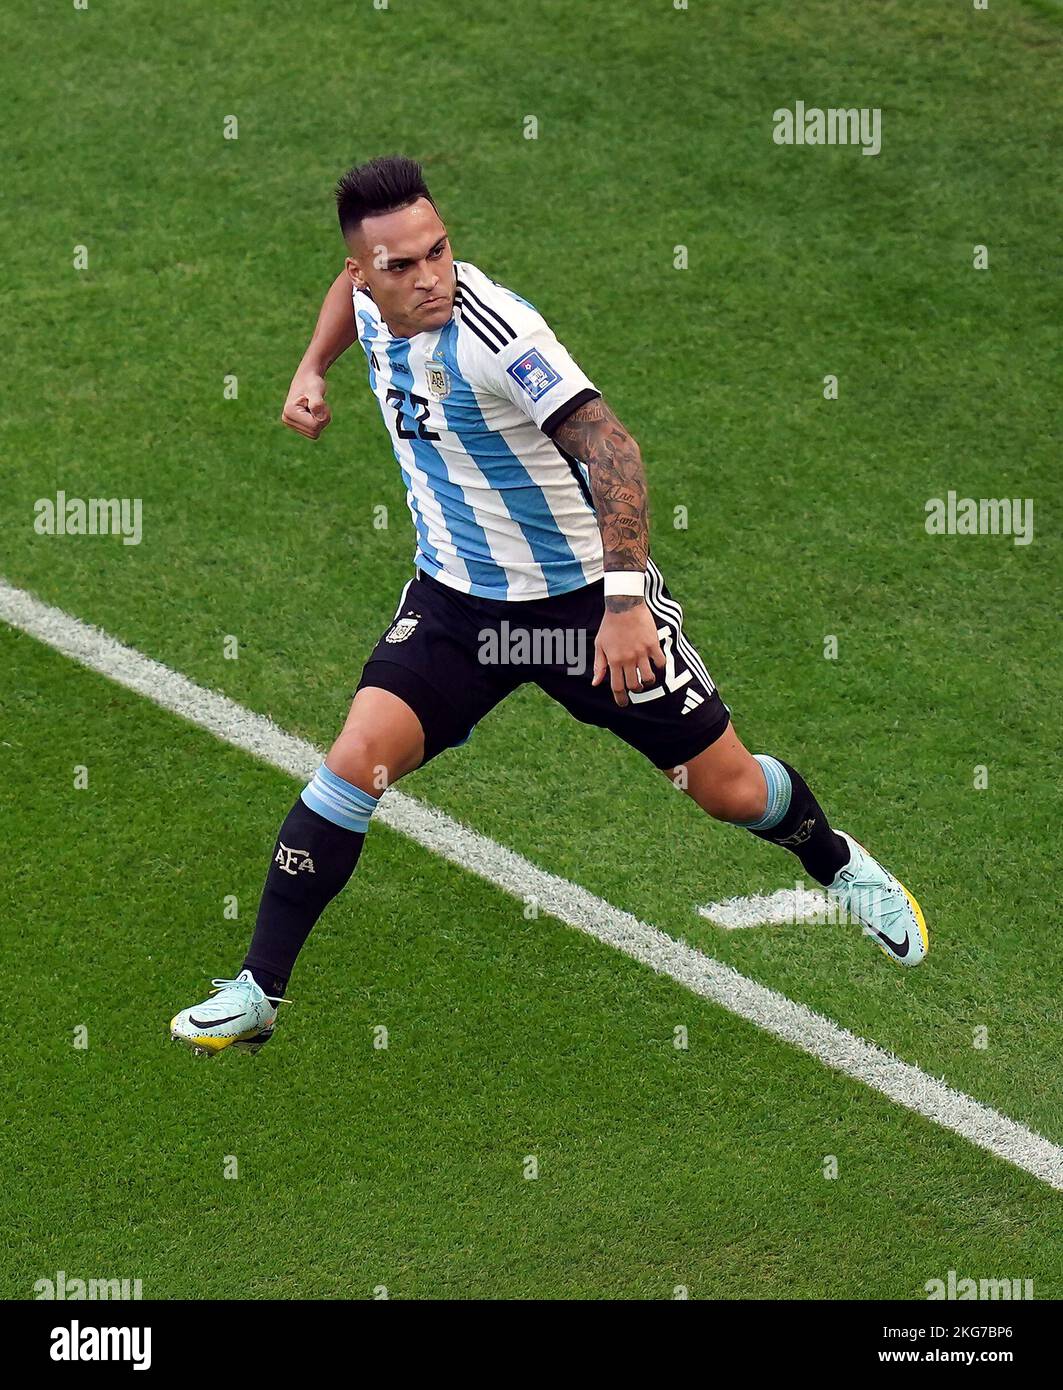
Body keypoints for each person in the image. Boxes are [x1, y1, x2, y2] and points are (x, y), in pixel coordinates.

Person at [170, 155, 927, 1056]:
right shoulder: (375, 300)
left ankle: (836, 861)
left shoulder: (493, 335)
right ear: (363, 271)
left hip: (585, 611)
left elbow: (613, 451)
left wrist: (623, 605)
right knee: (351, 766)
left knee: (725, 792)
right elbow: (348, 307)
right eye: (401, 266)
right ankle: (260, 991)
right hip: (457, 607)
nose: (429, 278)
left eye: (438, 252)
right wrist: (311, 368)